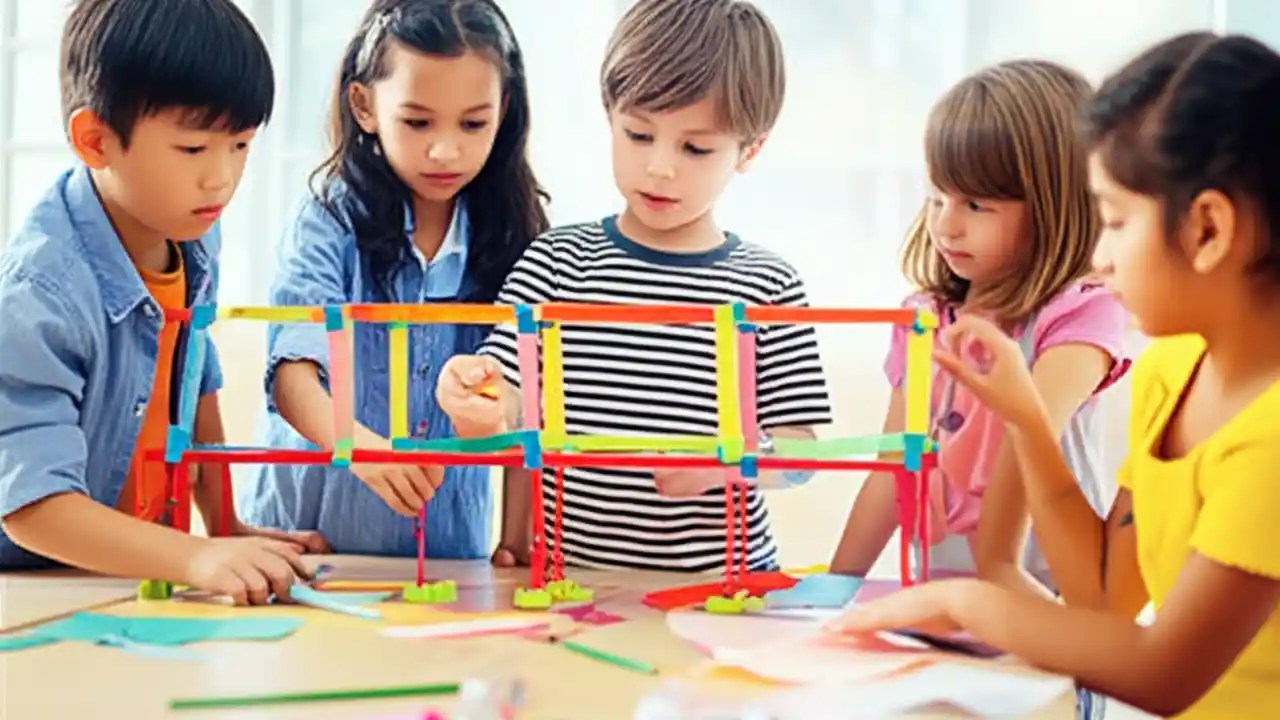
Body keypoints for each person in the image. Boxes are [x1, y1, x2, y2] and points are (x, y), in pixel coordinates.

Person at [829, 33, 1280, 719]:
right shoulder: (1172, 369)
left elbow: (1162, 673)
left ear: (1209, 230)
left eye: (1116, 222)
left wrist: (962, 600)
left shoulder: (1270, 441)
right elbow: (1103, 592)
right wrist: (1025, 416)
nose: (1097, 258)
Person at [437, 0, 833, 572]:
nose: (661, 167)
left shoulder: (768, 286)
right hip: (574, 586)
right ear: (610, 115)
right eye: (639, 134)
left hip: (724, 593)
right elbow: (508, 398)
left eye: (696, 148)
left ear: (751, 149)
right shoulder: (556, 263)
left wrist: (730, 462)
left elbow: (800, 453)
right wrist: (474, 397)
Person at [0, 0, 322, 604]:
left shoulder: (192, 230)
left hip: (130, 575)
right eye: (193, 150)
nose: (221, 178)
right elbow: (30, 507)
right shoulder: (40, 293)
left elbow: (195, 376)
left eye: (242, 146)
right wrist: (195, 555)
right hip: (35, 580)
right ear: (95, 140)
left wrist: (226, 527)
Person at [239, 0, 547, 563]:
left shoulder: (513, 236)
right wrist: (361, 449)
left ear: (504, 110)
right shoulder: (328, 219)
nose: (445, 150)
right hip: (306, 551)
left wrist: (516, 540)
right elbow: (291, 374)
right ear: (364, 106)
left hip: (448, 558)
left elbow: (530, 395)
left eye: (473, 123)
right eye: (417, 121)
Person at [829, 61, 1130, 603]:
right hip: (941, 604)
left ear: (1051, 206)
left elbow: (1028, 436)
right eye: (938, 198)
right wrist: (834, 590)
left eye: (976, 205)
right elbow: (890, 474)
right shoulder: (926, 317)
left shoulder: (1080, 315)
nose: (946, 224)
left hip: (1046, 605)